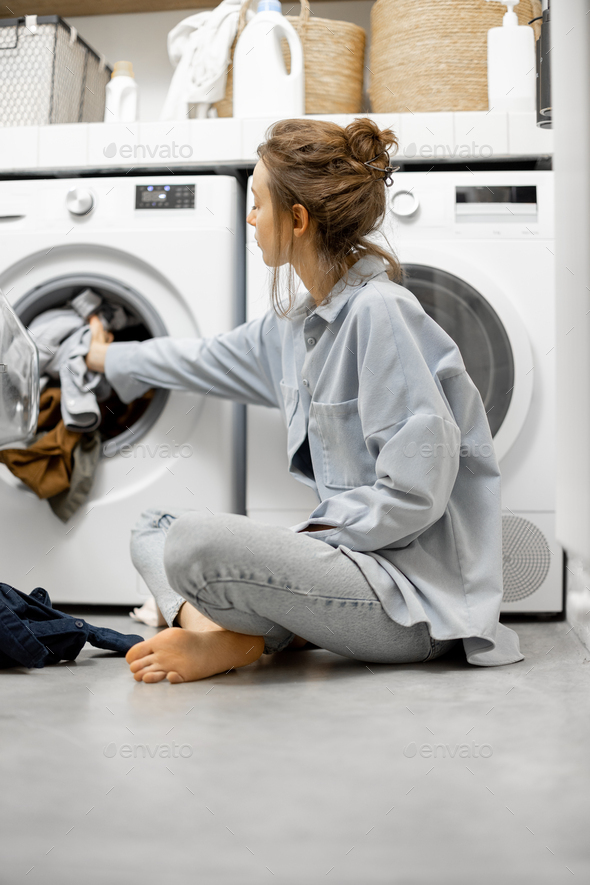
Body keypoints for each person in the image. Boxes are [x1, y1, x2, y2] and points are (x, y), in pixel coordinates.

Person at [85, 117, 524, 684]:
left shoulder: (380, 312)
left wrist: (302, 539)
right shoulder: (293, 328)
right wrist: (105, 360)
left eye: (256, 202)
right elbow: (202, 358)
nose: (248, 217)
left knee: (195, 543)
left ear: (296, 219)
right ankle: (230, 635)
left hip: (409, 602)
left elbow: (415, 496)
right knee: (154, 524)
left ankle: (238, 639)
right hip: (339, 574)